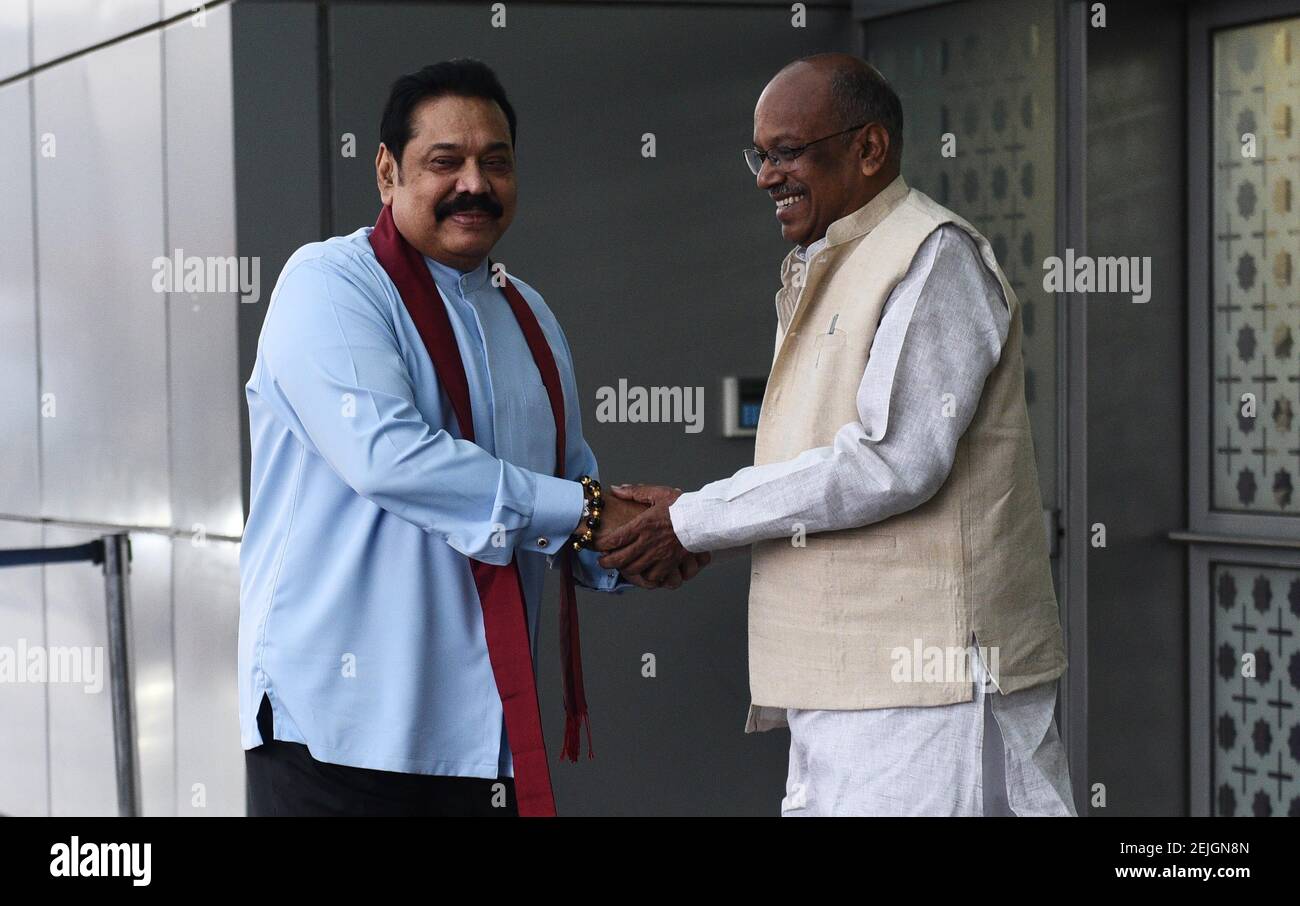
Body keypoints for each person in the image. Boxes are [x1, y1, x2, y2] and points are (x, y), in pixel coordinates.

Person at [598, 53, 1075, 816]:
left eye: (785, 152)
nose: (764, 176)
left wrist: (692, 521)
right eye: (760, 154)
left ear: (869, 149)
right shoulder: (835, 258)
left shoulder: (933, 256)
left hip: (926, 691)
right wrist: (696, 525)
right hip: (850, 685)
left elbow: (892, 462)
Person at [238, 59, 707, 817]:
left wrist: (648, 543)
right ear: (387, 173)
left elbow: (563, 491)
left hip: (482, 743)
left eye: (496, 162)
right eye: (444, 162)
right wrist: (588, 512)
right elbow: (393, 460)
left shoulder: (528, 313)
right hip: (336, 737)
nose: (474, 184)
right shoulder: (330, 283)